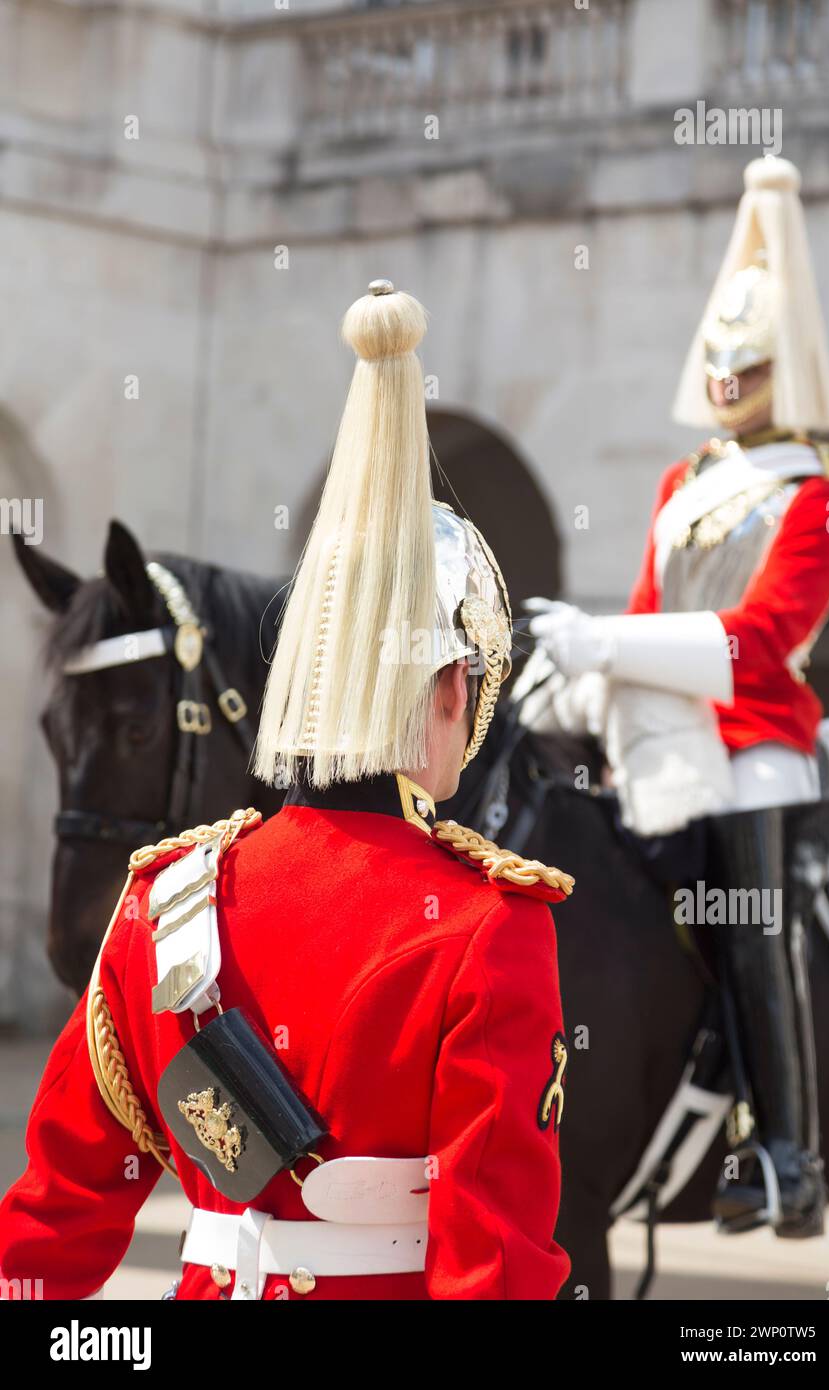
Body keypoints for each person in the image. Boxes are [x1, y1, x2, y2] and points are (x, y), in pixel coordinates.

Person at [0, 281, 573, 1300]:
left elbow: (46, 1229)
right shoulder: (492, 926)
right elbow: (492, 1272)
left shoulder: (160, 899)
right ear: (450, 688)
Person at [522, 156, 829, 1237]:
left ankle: (784, 1150)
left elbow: (764, 643)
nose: (722, 377)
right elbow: (640, 603)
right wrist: (571, 661)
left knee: (746, 903)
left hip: (760, 732)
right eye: (714, 360)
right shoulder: (682, 482)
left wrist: (609, 640)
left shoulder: (827, 491)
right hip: (661, 727)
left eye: (745, 361)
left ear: (785, 364)